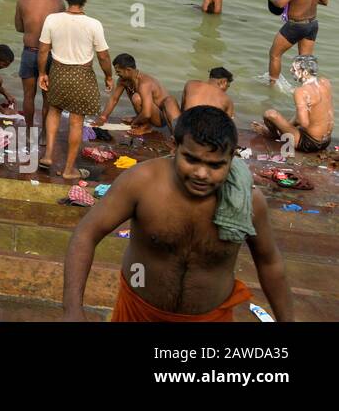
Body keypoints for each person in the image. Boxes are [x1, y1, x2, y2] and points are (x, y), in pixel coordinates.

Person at [63, 105, 291, 322]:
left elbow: (269, 263)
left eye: (215, 165)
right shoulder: (141, 183)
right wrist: (72, 310)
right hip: (138, 311)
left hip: (211, 317)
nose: (202, 173)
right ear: (174, 147)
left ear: (232, 158)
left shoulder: (248, 201)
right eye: (191, 159)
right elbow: (86, 234)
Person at [38, 0, 112, 182]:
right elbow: (103, 56)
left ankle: (48, 155)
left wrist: (43, 73)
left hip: (58, 72)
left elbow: (43, 50)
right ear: (85, 0)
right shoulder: (93, 24)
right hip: (82, 75)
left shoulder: (52, 19)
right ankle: (69, 169)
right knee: (76, 122)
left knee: (54, 110)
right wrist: (108, 76)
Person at [268, 0, 327, 87]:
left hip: (296, 25)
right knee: (304, 61)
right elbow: (324, 1)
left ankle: (272, 85)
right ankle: (307, 89)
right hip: (312, 25)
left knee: (275, 54)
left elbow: (281, 2)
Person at [15, 0, 65, 127]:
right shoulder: (58, 3)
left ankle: (29, 132)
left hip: (29, 52)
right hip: (50, 54)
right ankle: (44, 133)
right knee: (47, 97)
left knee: (28, 96)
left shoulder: (22, 2)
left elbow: (19, 27)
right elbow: (61, 30)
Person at [255, 55, 333, 153]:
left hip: (309, 143)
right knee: (301, 115)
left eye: (294, 69)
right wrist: (288, 124)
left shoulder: (301, 91)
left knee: (269, 114)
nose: (291, 71)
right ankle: (282, 130)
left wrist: (284, 125)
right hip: (326, 140)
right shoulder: (325, 82)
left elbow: (303, 122)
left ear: (305, 72)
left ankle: (274, 135)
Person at [98, 53, 173, 134]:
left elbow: (147, 113)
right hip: (148, 113)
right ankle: (141, 120)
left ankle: (146, 126)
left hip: (161, 118)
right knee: (136, 97)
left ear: (128, 70)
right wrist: (103, 117)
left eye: (118, 72)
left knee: (136, 97)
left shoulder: (144, 83)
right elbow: (114, 99)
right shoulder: (123, 80)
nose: (117, 74)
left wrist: (135, 122)